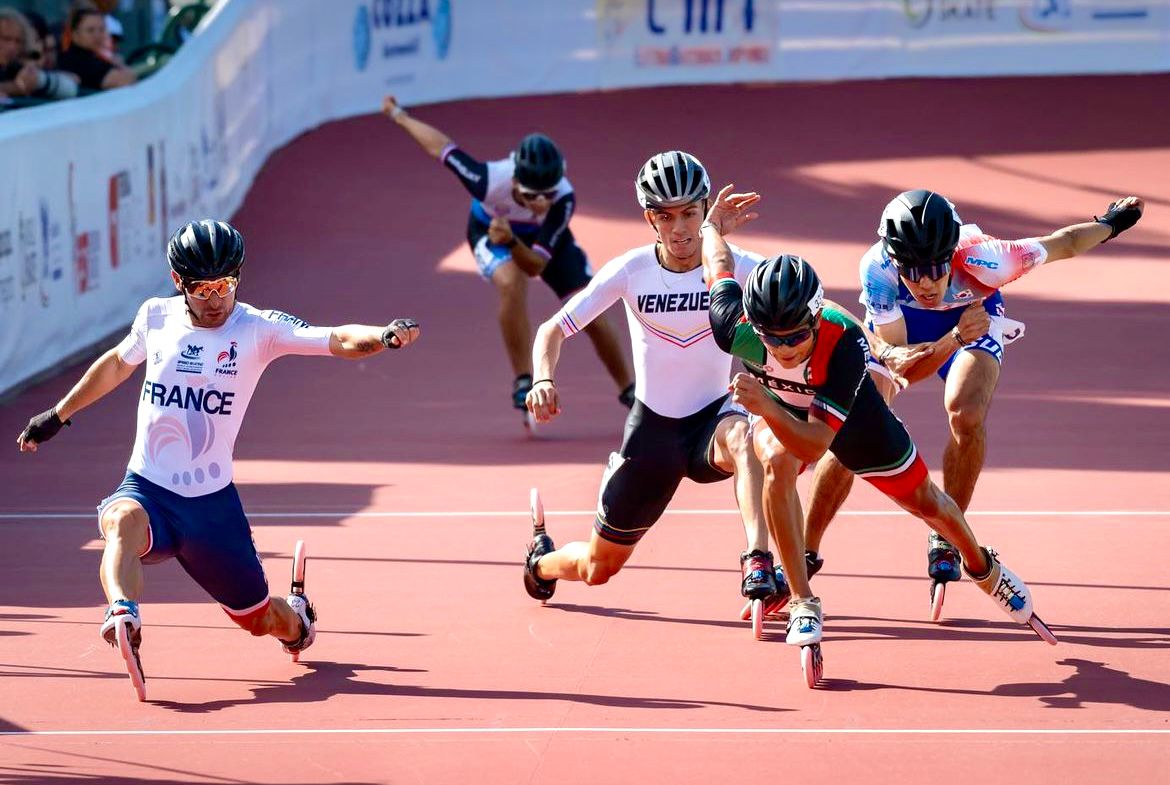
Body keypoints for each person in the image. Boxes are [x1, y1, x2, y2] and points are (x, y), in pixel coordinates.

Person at [16, 219, 421, 689]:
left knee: (260, 620)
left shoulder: (258, 328)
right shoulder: (155, 316)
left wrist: (384, 335)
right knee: (121, 521)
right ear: (178, 283)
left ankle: (297, 619)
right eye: (202, 289)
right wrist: (58, 414)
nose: (215, 300)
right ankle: (122, 613)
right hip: (148, 487)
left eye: (225, 286)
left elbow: (335, 339)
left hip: (211, 507)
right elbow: (115, 366)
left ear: (238, 279)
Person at [699, 185, 1054, 644]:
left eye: (795, 338)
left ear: (815, 321)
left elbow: (815, 443)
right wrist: (711, 226)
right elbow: (718, 269)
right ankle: (805, 600)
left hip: (851, 413)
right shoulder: (735, 329)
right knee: (774, 464)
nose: (784, 350)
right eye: (773, 339)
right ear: (753, 327)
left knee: (929, 504)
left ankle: (984, 568)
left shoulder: (843, 342)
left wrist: (763, 403)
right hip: (785, 404)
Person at [803, 189, 1145, 594]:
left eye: (935, 267)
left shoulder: (988, 258)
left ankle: (947, 535)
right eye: (911, 271)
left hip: (974, 319)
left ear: (951, 254)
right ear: (894, 261)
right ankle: (804, 553)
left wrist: (1109, 225)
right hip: (910, 336)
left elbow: (1065, 244)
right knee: (852, 433)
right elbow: (902, 364)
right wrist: (948, 338)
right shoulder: (877, 269)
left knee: (966, 415)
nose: (925, 283)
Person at [522, 150, 781, 612]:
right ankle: (541, 562)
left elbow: (803, 300)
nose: (679, 228)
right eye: (665, 216)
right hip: (651, 435)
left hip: (711, 422)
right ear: (649, 219)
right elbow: (552, 329)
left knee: (745, 437)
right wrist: (542, 378)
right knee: (597, 570)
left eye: (689, 214)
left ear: (705, 213)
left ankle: (758, 561)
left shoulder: (736, 266)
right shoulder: (632, 271)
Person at [381, 94, 633, 420]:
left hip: (530, 241)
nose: (541, 203)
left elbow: (537, 266)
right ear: (514, 180)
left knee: (591, 308)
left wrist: (514, 239)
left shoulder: (564, 199)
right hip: (491, 233)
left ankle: (629, 390)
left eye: (548, 196)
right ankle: (523, 378)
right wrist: (399, 114)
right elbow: (441, 148)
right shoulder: (488, 181)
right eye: (531, 196)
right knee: (511, 283)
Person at [56, 7, 135, 92]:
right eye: (90, 30)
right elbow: (124, 80)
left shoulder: (95, 55)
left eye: (102, 29)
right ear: (75, 34)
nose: (97, 36)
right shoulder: (78, 60)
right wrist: (119, 64)